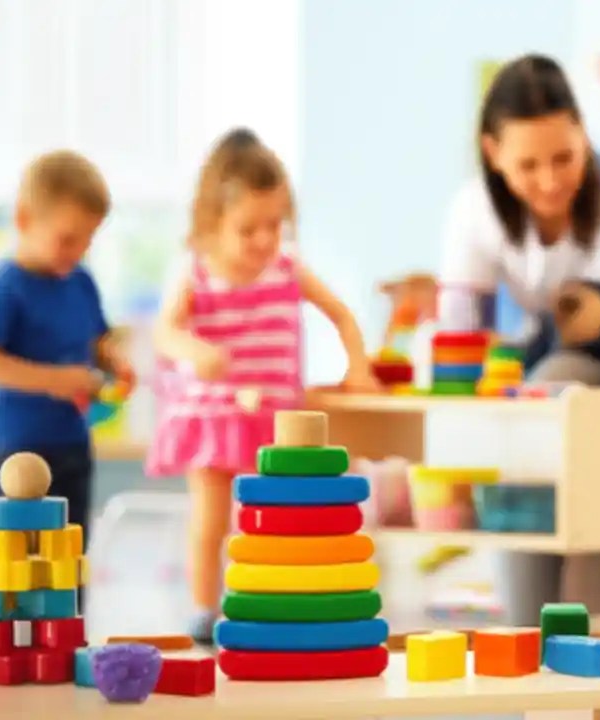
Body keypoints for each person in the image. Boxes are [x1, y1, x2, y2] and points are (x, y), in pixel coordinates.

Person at [437, 54, 600, 620]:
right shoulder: (475, 209)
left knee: (552, 396)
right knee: (532, 407)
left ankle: (575, 636)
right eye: (528, 165)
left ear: (584, 135)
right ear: (493, 154)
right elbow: (459, 332)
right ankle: (527, 632)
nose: (549, 181)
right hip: (541, 372)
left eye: (565, 157)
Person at [147, 128, 377, 643]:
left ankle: (268, 606)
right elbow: (164, 331)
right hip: (214, 412)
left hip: (274, 417)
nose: (265, 240)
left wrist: (357, 367)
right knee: (211, 517)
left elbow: (341, 314)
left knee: (272, 521)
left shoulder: (288, 270)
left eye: (275, 225)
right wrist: (195, 350)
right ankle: (205, 609)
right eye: (248, 228)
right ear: (212, 223)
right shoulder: (196, 273)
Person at [0, 151, 132, 554]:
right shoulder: (3, 284)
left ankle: (67, 621)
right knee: (12, 562)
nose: (78, 250)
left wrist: (116, 364)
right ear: (24, 220)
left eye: (88, 240)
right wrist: (56, 380)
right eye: (67, 238)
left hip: (72, 447)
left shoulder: (81, 281)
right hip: (16, 452)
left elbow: (98, 342)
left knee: (68, 560)